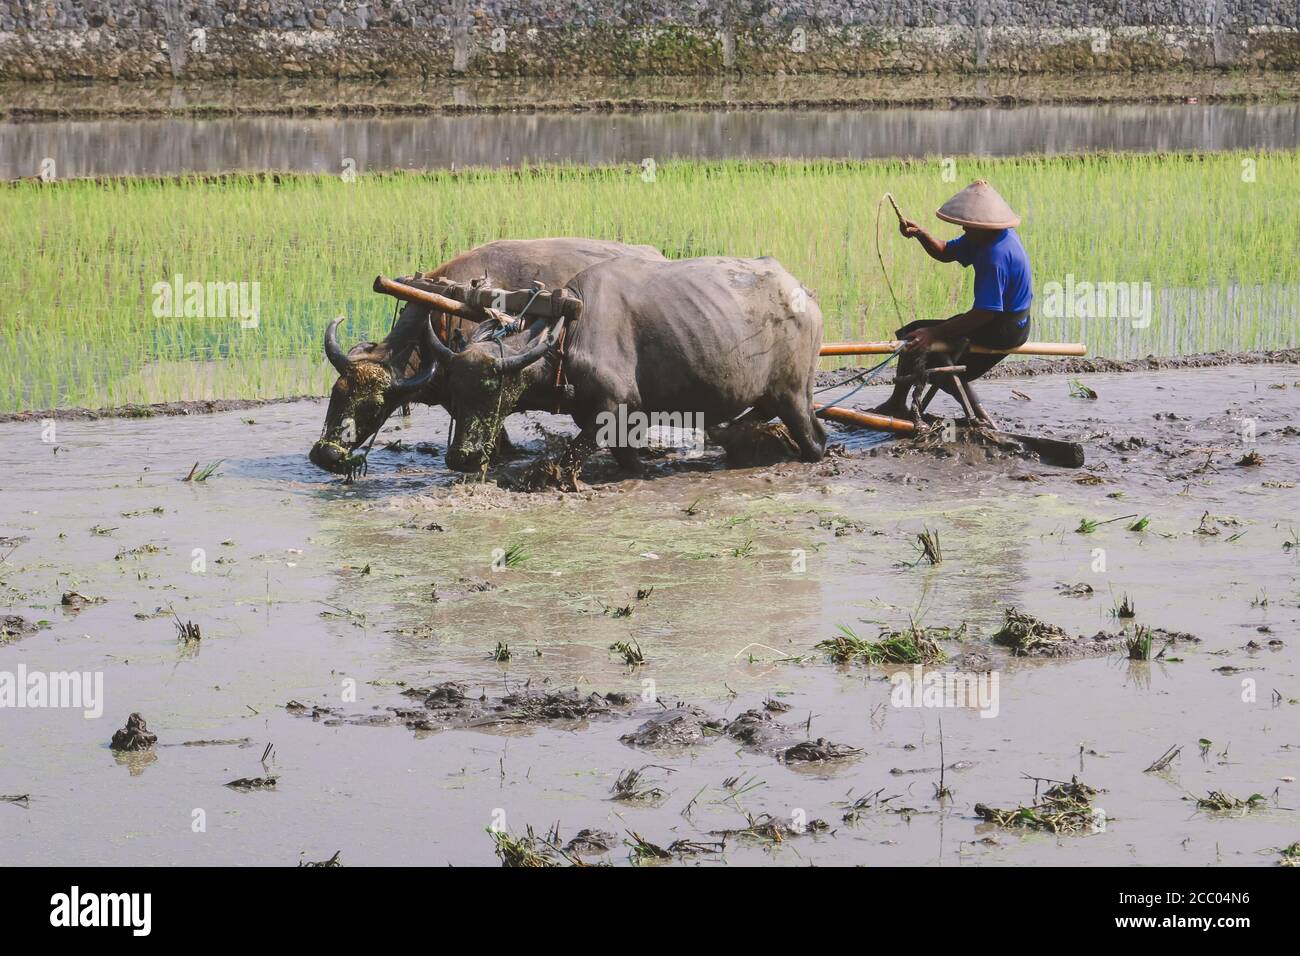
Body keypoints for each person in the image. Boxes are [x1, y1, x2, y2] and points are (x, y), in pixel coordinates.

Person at [872, 180, 1032, 420]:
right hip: (1004, 320)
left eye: (968, 226)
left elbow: (985, 312)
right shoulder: (984, 236)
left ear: (983, 225)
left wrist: (934, 333)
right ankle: (897, 403)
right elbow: (945, 251)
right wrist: (920, 234)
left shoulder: (995, 255)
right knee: (916, 333)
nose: (964, 230)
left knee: (929, 352)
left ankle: (978, 416)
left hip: (1004, 327)